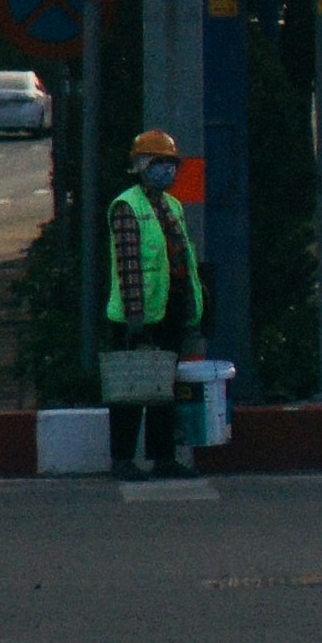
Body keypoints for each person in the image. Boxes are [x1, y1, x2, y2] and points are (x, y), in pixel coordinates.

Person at [100, 125, 204, 477]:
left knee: (165, 391)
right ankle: (123, 459)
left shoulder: (172, 206)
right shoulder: (127, 206)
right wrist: (135, 320)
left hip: (169, 311)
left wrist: (192, 306)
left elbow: (181, 260)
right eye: (161, 163)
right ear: (143, 165)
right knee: (130, 390)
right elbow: (129, 266)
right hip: (138, 315)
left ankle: (163, 457)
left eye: (172, 163)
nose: (169, 170)